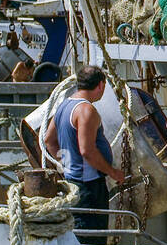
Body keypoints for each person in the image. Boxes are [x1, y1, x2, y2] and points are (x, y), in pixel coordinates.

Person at [43, 65, 126, 232]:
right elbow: (87, 151)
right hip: (89, 188)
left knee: (79, 234)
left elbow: (49, 140)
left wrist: (66, 164)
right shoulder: (86, 110)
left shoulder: (64, 106)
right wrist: (112, 172)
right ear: (101, 85)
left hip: (72, 183)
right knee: (92, 237)